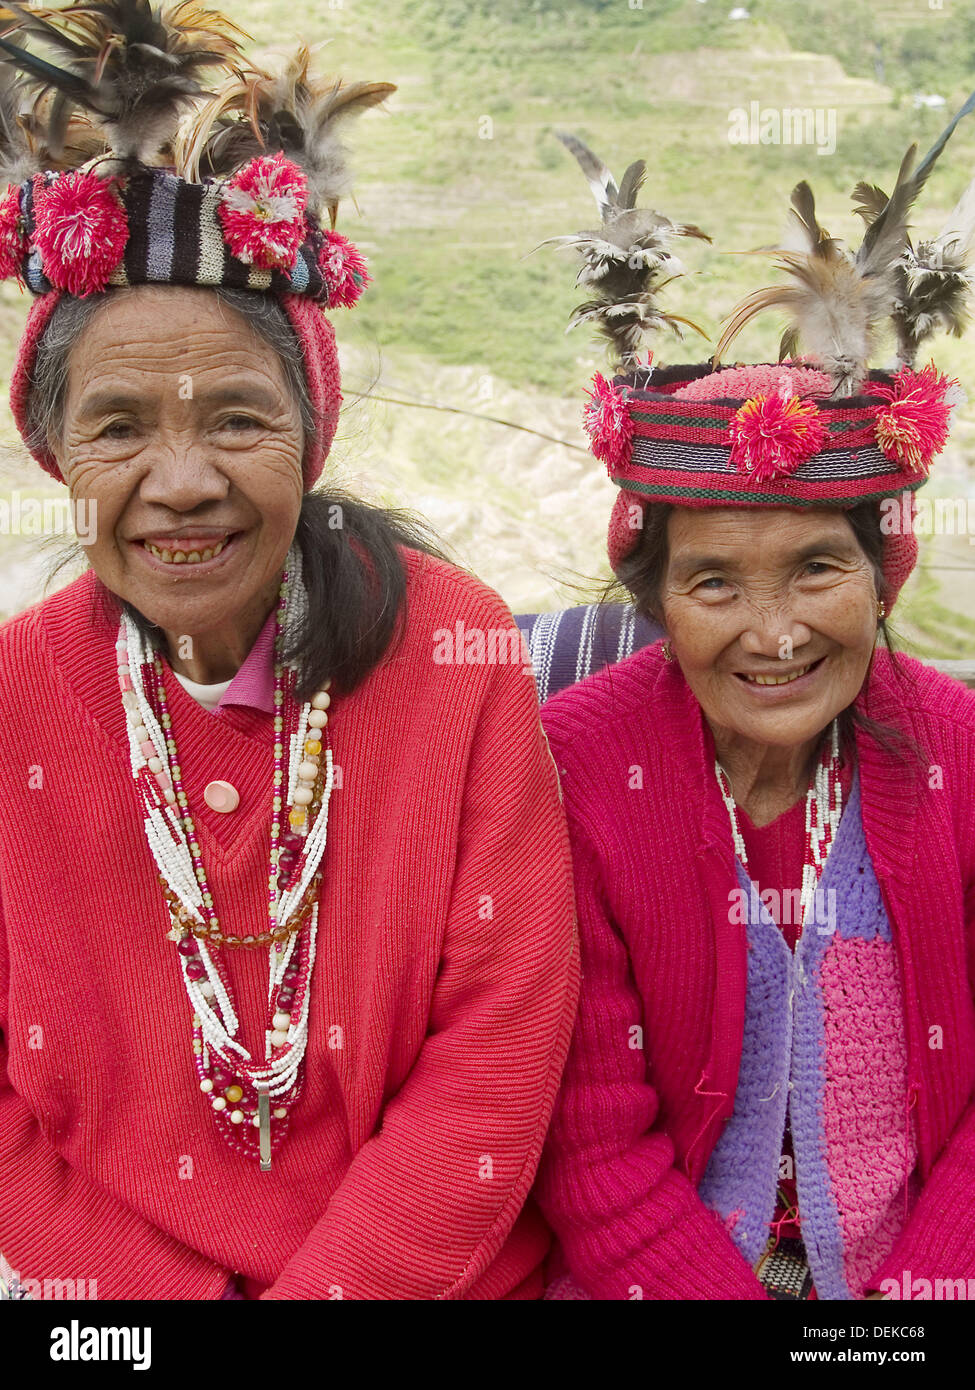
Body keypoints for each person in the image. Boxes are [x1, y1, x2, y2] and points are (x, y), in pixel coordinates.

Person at [0, 9, 578, 1301]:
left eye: (239, 418)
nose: (183, 481)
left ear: (308, 436)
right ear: (58, 454)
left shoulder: (455, 648)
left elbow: (501, 1034)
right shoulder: (11, 694)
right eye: (119, 426)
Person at [531, 131, 975, 1300]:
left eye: (819, 571)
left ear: (886, 575)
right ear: (658, 599)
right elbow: (593, 1141)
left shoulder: (960, 753)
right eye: (716, 581)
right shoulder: (579, 767)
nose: (774, 633)